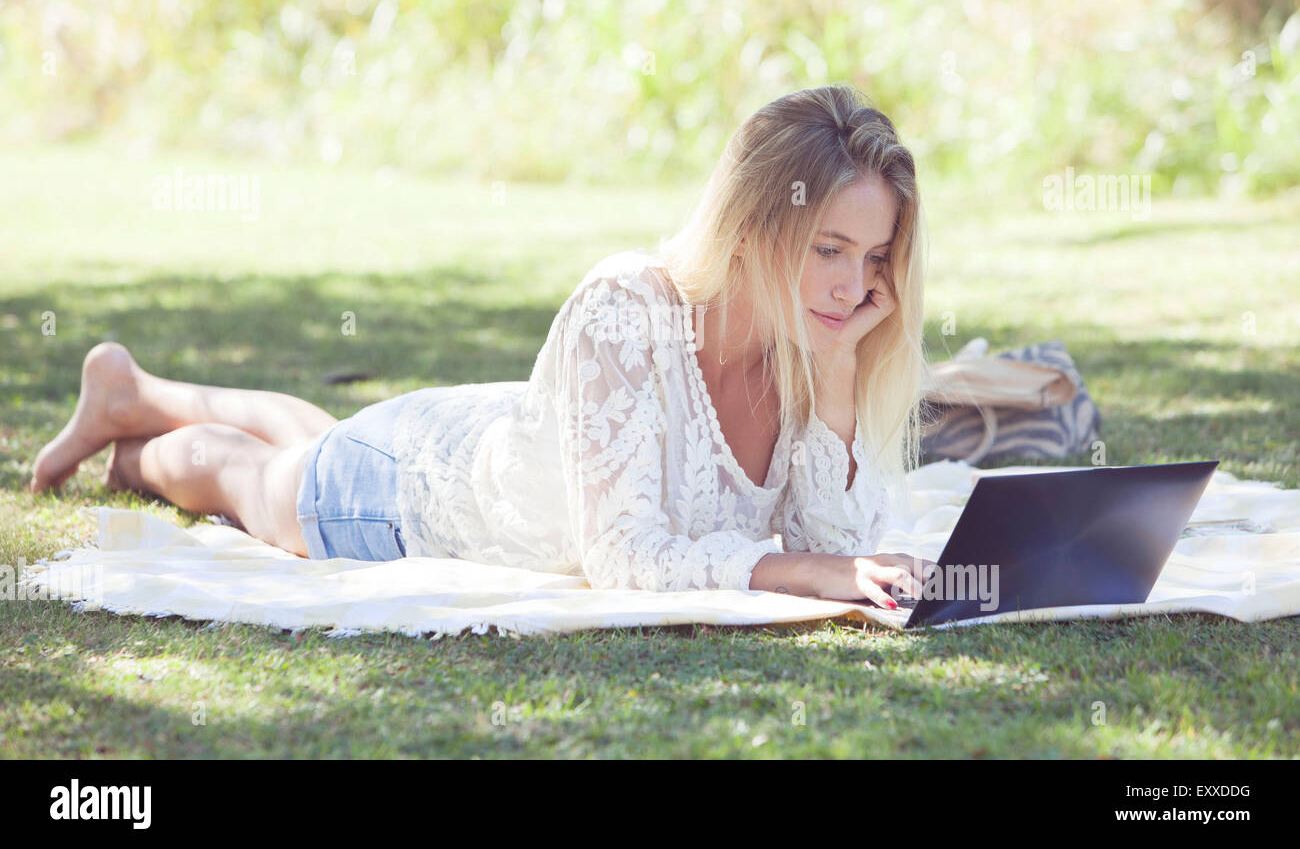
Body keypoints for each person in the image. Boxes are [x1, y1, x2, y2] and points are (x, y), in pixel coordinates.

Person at [29, 84, 936, 608]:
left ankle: (131, 386)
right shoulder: (626, 307)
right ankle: (136, 426)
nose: (855, 287)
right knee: (260, 479)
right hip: (409, 493)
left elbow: (837, 543)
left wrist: (840, 365)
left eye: (873, 258)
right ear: (751, 223)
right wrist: (811, 571)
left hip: (485, 435)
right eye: (829, 250)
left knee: (322, 437)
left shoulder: (806, 340)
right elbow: (627, 557)